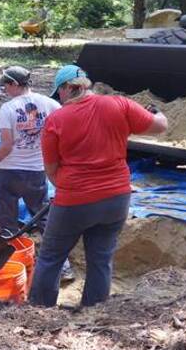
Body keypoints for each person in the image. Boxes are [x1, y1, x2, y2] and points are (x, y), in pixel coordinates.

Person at [28, 65, 168, 308]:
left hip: (73, 202)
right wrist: (158, 113)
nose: (58, 99)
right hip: (116, 198)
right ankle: (94, 311)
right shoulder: (120, 105)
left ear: (65, 89)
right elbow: (159, 127)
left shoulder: (56, 120)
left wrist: (68, 191)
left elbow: (51, 170)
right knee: (101, 259)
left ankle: (39, 312)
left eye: (58, 94)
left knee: (51, 257)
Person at [0, 66, 74, 282]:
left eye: (6, 86)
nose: (6, 90)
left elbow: (6, 146)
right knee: (44, 219)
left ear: (14, 84)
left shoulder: (8, 109)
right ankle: (63, 267)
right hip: (37, 172)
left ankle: (12, 265)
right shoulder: (51, 105)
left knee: (7, 223)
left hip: (9, 173)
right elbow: (64, 136)